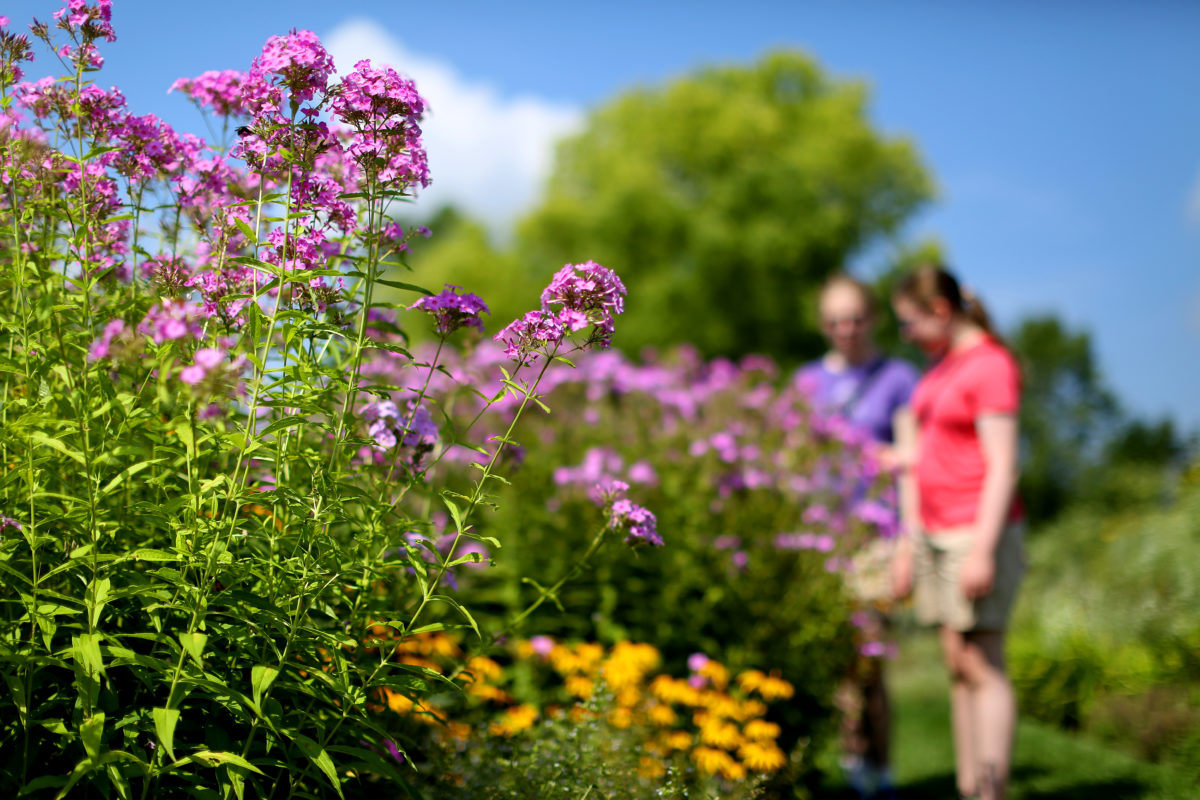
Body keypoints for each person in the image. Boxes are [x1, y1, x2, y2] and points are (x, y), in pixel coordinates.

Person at [889, 265, 1025, 800]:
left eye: (909, 322)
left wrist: (984, 552)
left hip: (976, 531)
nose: (906, 335)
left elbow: (1003, 464)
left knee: (983, 663)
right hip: (938, 530)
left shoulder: (991, 365)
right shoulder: (944, 366)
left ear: (940, 311)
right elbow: (932, 449)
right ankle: (971, 787)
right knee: (957, 662)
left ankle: (990, 791)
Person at [797, 274, 919, 800]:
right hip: (825, 534)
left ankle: (883, 772)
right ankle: (853, 769)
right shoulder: (806, 381)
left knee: (870, 662)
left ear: (872, 318)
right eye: (835, 320)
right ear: (824, 325)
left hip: (876, 534)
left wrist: (909, 540)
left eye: (856, 317)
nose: (846, 329)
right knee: (840, 663)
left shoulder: (897, 378)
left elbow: (912, 457)